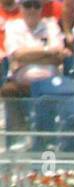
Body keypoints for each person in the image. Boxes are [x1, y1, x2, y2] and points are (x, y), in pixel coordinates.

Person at [1, 0, 67, 136]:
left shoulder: (51, 24)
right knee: (7, 90)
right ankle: (18, 137)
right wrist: (48, 52)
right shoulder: (12, 26)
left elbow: (59, 55)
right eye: (27, 5)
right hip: (22, 82)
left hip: (50, 83)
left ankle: (47, 138)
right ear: (20, 8)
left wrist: (28, 55)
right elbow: (17, 54)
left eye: (36, 6)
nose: (32, 9)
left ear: (42, 8)